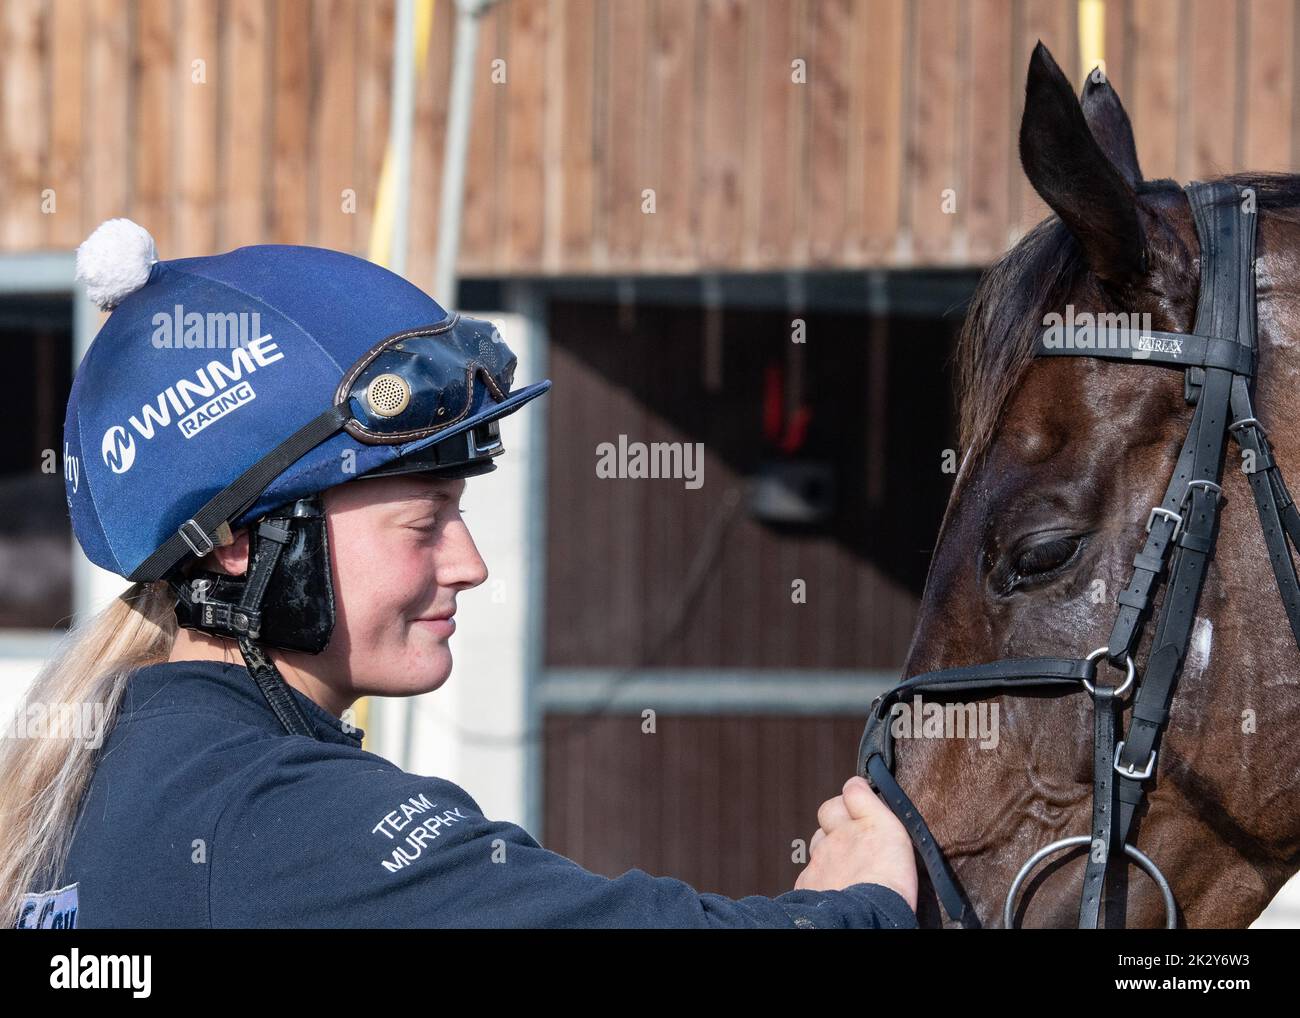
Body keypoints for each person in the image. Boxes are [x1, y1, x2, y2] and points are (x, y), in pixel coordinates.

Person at [1, 219, 918, 929]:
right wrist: (861, 906)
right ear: (236, 544)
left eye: (462, 515)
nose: (469, 564)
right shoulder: (284, 821)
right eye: (422, 521)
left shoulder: (95, 791)